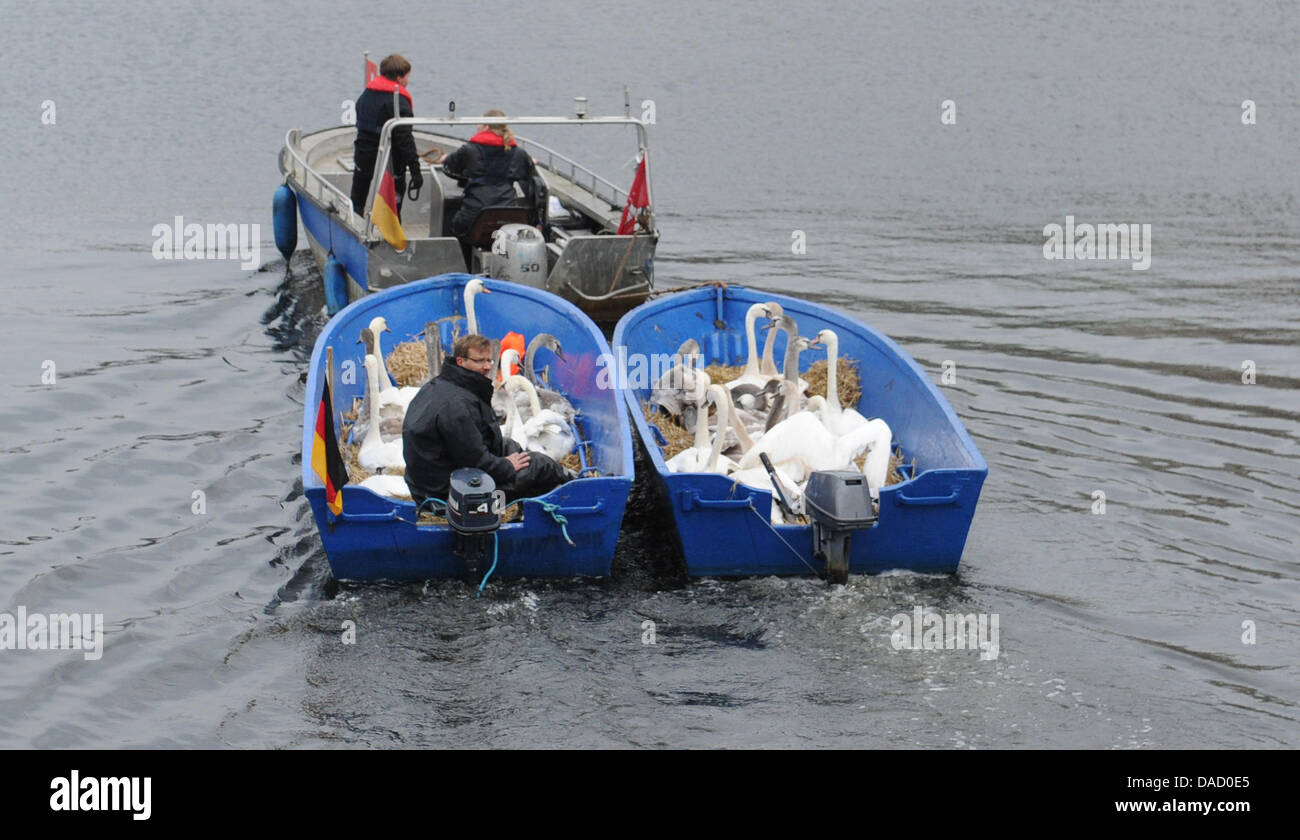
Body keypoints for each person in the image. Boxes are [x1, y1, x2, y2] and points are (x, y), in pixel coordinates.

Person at [403, 334, 574, 508]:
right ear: (461, 362)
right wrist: (506, 466)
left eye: (489, 361)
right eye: (479, 361)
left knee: (510, 447)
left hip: (428, 481)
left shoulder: (440, 385)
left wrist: (505, 461)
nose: (486, 367)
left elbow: (471, 449)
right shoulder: (457, 407)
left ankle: (527, 502)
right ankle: (576, 489)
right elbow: (475, 461)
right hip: (451, 494)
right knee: (539, 465)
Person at [441, 110, 541, 238]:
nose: (476, 126)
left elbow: (450, 166)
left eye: (479, 123)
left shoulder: (469, 150)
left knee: (454, 220)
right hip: (507, 216)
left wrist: (444, 158)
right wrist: (531, 162)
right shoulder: (517, 152)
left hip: (474, 216)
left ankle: (461, 255)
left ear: (486, 127)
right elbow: (527, 170)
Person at [349, 53, 423, 219]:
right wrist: (415, 170)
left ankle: (355, 223)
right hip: (391, 161)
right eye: (407, 77)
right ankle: (392, 236)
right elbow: (405, 141)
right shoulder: (399, 104)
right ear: (399, 78)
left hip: (363, 154)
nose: (408, 81)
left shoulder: (365, 97)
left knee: (358, 199)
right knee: (394, 206)